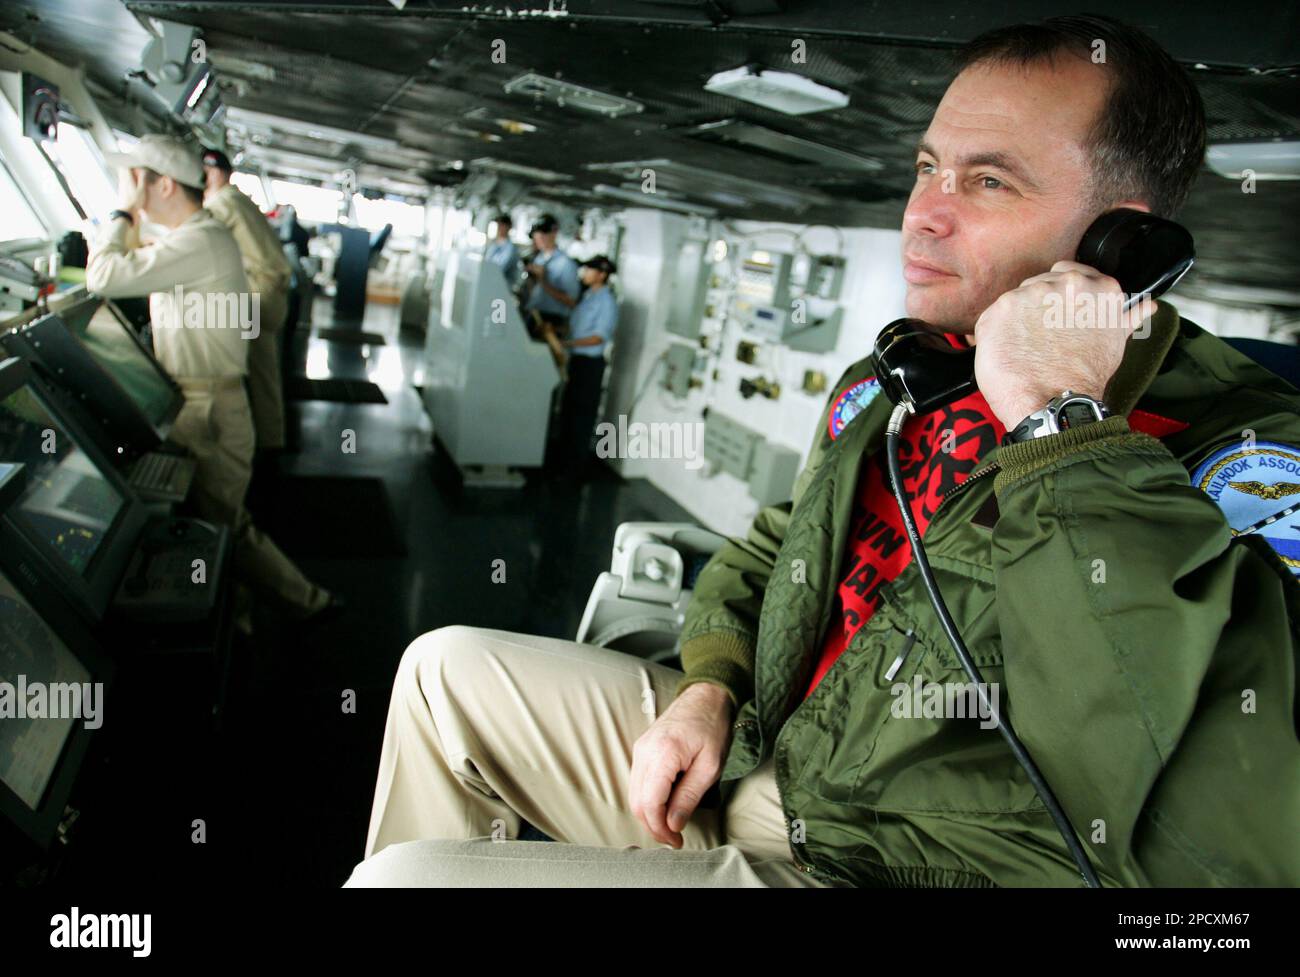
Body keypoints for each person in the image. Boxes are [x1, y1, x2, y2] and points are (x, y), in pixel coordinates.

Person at [348, 14, 1299, 888]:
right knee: (443, 673)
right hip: (775, 764)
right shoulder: (897, 379)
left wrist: (1062, 425)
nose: (924, 212)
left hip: (906, 862)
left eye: (988, 180)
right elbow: (772, 546)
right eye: (929, 168)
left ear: (1120, 238)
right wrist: (710, 689)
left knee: (412, 882)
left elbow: (1225, 846)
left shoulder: (1247, 456)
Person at [85, 134, 337, 627]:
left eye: (135, 180)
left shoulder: (201, 240)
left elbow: (103, 276)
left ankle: (308, 603)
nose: (128, 189)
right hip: (201, 403)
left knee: (227, 524)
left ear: (160, 185)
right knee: (216, 522)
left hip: (209, 410)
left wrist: (121, 213)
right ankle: (238, 617)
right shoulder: (197, 237)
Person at [201, 147, 293, 457]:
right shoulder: (236, 198)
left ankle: (262, 449)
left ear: (210, 173)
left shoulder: (222, 203)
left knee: (245, 376)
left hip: (256, 296)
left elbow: (192, 237)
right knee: (263, 373)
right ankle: (271, 439)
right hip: (269, 293)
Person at [539, 255, 618, 476]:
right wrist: (557, 333)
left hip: (590, 364)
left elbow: (597, 338)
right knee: (569, 409)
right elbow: (578, 327)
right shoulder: (588, 297)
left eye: (589, 270)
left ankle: (574, 467)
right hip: (577, 360)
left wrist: (565, 343)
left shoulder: (606, 302)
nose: (584, 273)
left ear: (602, 274)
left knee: (582, 414)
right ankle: (563, 459)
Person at [520, 214, 579, 335]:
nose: (540, 237)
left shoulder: (566, 264)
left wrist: (543, 281)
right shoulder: (538, 259)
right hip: (533, 314)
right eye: (537, 233)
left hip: (552, 321)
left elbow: (571, 302)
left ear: (554, 232)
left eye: (544, 232)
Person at [484, 213, 520, 284]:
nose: (499, 227)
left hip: (504, 286)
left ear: (509, 227)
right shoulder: (493, 245)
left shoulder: (511, 249)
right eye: (498, 225)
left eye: (502, 225)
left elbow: (501, 268)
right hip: (491, 282)